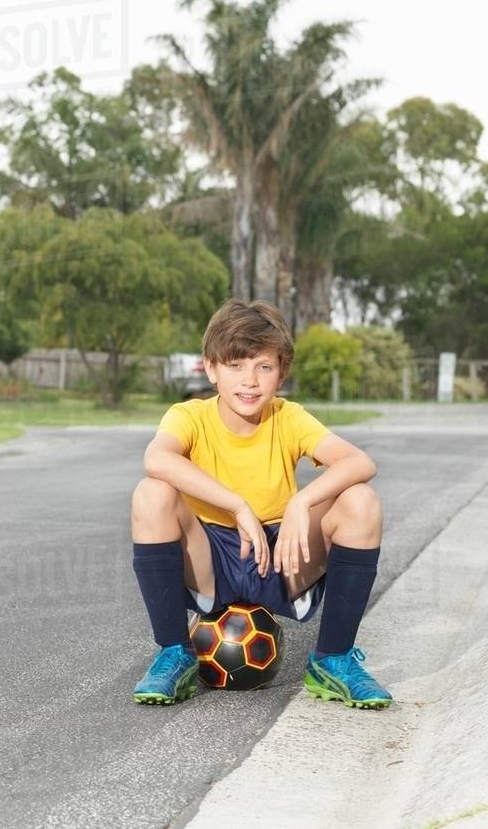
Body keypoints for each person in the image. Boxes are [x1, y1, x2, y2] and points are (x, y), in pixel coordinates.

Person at [131, 299, 391, 709]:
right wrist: (237, 506)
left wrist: (301, 502)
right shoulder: (190, 416)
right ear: (211, 369)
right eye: (236, 365)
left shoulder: (287, 418)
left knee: (361, 501)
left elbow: (361, 462)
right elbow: (157, 458)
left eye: (263, 367)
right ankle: (174, 652)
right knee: (152, 492)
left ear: (281, 373)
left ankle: (333, 659)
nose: (250, 381)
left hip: (281, 555)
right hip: (210, 559)